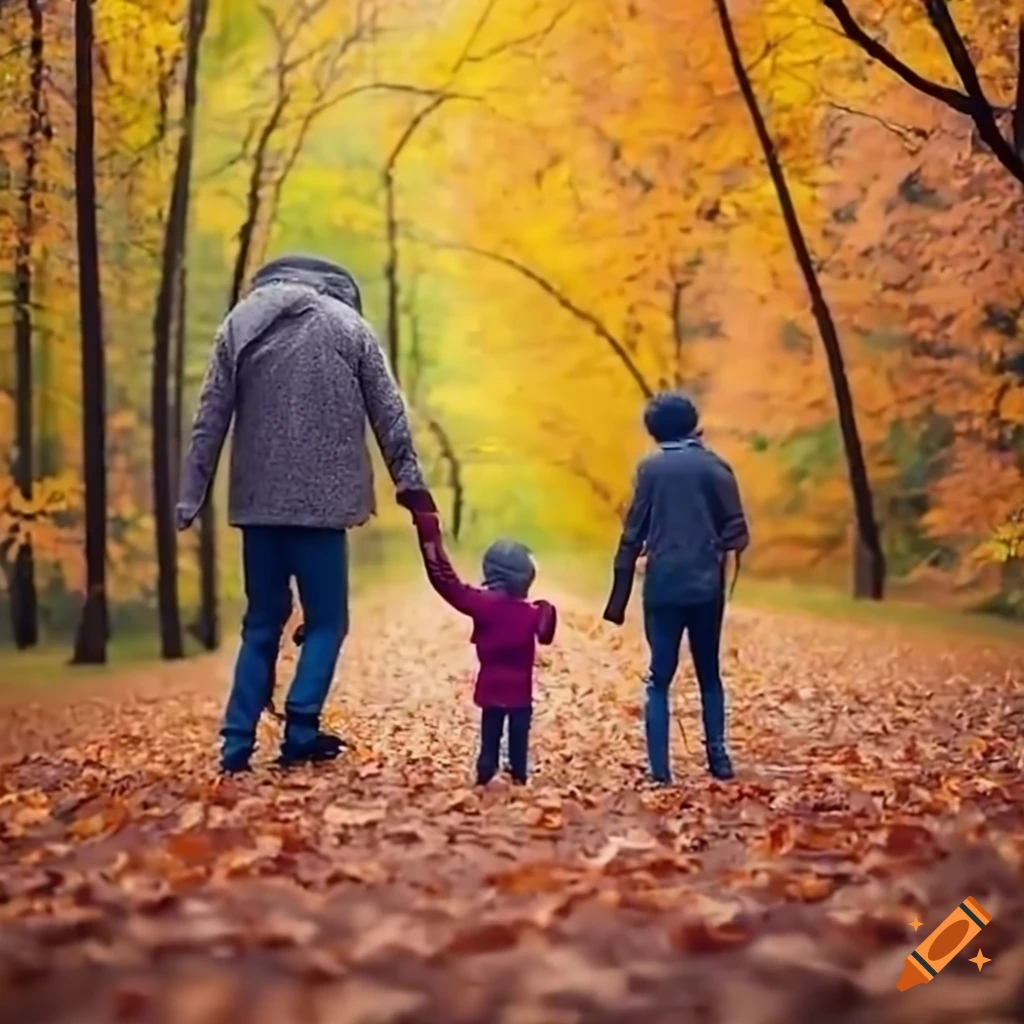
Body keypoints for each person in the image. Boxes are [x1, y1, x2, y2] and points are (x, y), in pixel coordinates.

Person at [176, 254, 436, 773]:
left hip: (258, 506)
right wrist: (410, 483)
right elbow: (390, 415)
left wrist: (191, 493)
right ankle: (300, 727)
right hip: (323, 509)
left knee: (261, 623)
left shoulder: (240, 324)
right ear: (338, 287)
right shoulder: (349, 327)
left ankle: (235, 744)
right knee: (327, 620)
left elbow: (210, 417)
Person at [602, 392, 749, 784]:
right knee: (709, 674)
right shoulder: (715, 466)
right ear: (692, 422)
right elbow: (738, 532)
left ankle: (660, 769)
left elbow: (632, 532)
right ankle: (718, 758)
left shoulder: (650, 470)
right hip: (706, 586)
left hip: (662, 585)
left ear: (653, 430)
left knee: (659, 677)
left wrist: (618, 596)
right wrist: (713, 546)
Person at [407, 510, 556, 785]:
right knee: (519, 730)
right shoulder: (532, 613)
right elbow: (546, 634)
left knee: (491, 729)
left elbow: (445, 581)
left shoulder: (482, 604)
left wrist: (429, 536)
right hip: (521, 691)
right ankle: (518, 773)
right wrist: (546, 609)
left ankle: (486, 770)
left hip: (490, 687)